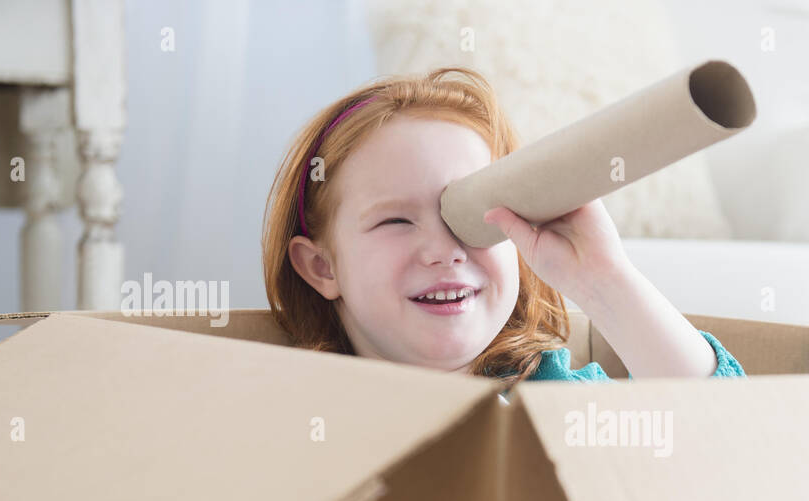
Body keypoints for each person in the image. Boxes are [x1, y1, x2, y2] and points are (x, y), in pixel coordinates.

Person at [262, 67, 745, 391]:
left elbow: (723, 432)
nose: (444, 251)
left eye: (466, 217)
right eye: (396, 220)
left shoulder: (557, 395)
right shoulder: (305, 413)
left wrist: (604, 280)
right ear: (322, 267)